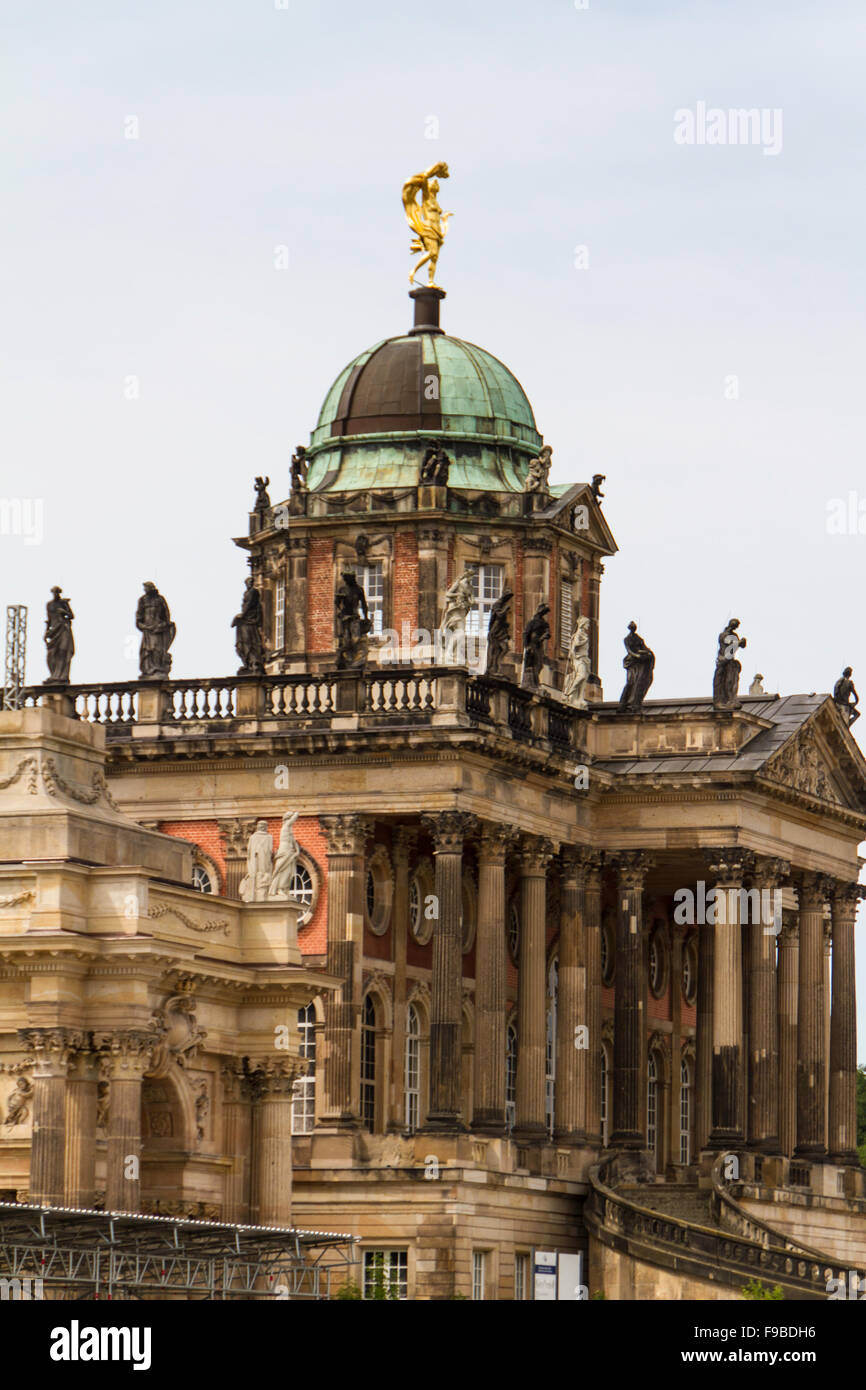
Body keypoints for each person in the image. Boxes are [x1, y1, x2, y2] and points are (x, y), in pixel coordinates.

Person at [136, 582, 176, 679]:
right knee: (147, 651)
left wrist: (162, 625)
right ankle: (148, 670)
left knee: (157, 649)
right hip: (147, 631)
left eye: (145, 587)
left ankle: (157, 669)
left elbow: (166, 617)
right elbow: (139, 619)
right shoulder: (142, 600)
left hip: (157, 630)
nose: (145, 590)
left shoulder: (160, 599)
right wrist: (144, 627)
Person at [618, 622, 655, 712]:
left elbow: (644, 648)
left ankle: (636, 702)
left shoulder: (639, 638)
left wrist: (648, 653)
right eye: (632, 627)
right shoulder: (627, 639)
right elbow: (629, 651)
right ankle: (627, 704)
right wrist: (637, 655)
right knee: (632, 682)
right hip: (633, 661)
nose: (633, 628)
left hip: (641, 661)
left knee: (642, 681)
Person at [232, 577, 265, 673]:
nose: (250, 584)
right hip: (247, 619)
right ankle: (249, 662)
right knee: (244, 642)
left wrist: (242, 615)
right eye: (248, 582)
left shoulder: (253, 592)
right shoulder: (248, 592)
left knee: (249, 642)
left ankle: (254, 662)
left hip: (249, 619)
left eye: (251, 582)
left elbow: (249, 604)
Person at [43, 586, 74, 684]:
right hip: (54, 630)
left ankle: (61, 676)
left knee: (63, 651)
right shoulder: (49, 604)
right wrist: (46, 631)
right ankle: (54, 675)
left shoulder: (63, 603)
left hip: (63, 628)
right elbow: (49, 619)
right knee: (52, 654)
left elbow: (71, 616)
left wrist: (64, 611)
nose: (55, 594)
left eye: (57, 592)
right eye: (54, 592)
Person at [563, 616, 592, 708]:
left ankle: (580, 698)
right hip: (578, 658)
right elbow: (574, 646)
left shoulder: (584, 635)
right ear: (583, 624)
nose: (588, 626)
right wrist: (584, 641)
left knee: (584, 679)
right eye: (587, 624)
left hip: (585, 659)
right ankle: (568, 693)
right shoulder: (578, 634)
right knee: (581, 676)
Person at [521, 603, 551, 690]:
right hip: (533, 644)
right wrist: (527, 646)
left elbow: (548, 633)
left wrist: (546, 635)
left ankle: (535, 682)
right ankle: (533, 683)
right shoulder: (532, 622)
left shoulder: (544, 623)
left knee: (539, 664)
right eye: (544, 612)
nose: (544, 614)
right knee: (534, 663)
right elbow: (525, 633)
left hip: (539, 644)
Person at [484, 589, 513, 677]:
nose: (508, 599)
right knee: (495, 651)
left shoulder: (502, 604)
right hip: (495, 631)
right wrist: (505, 609)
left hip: (501, 630)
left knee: (504, 649)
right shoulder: (497, 604)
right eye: (508, 597)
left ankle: (497, 667)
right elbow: (499, 615)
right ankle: (492, 669)